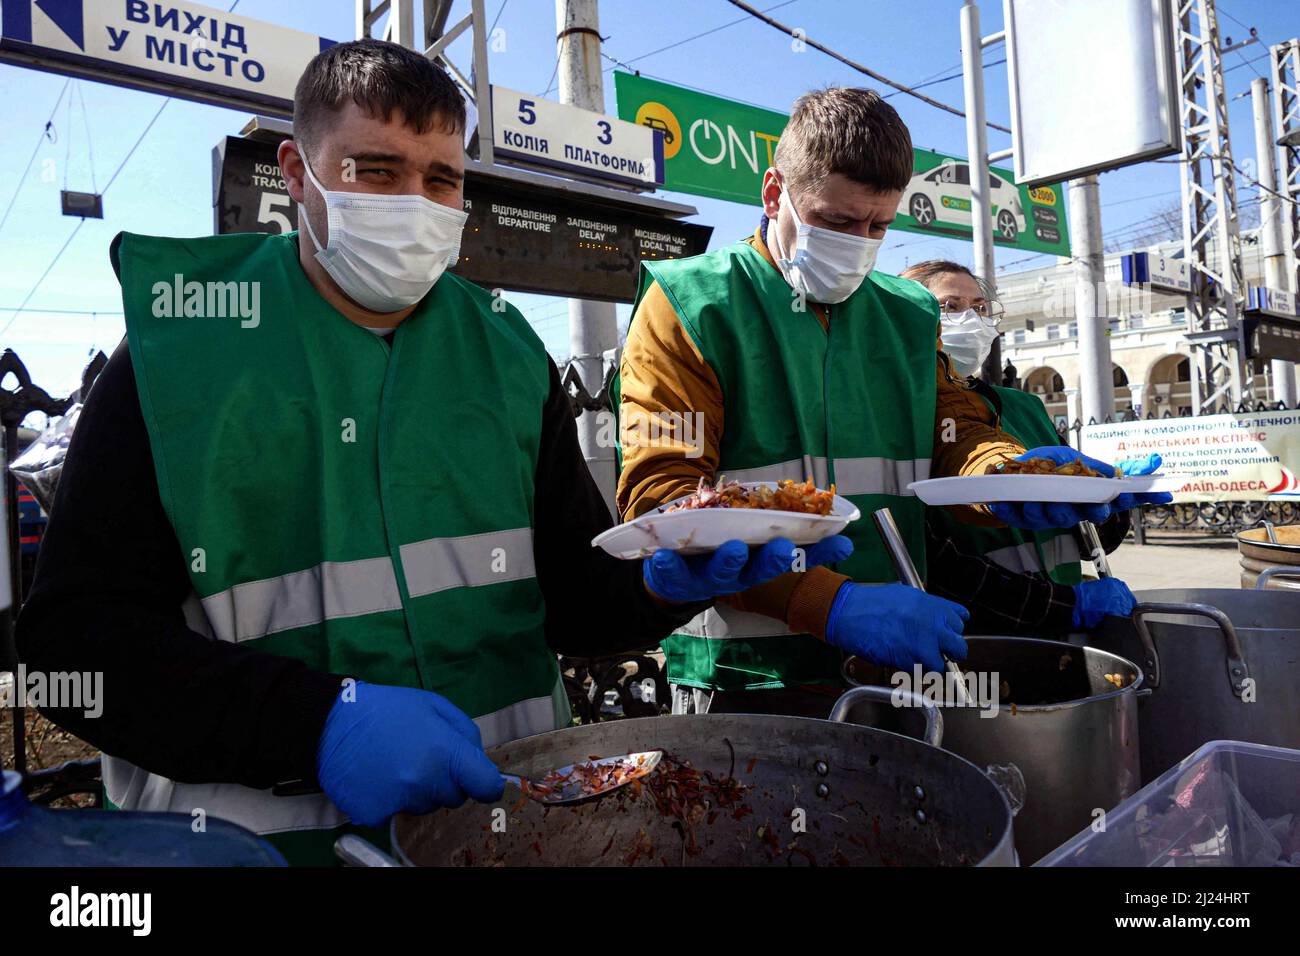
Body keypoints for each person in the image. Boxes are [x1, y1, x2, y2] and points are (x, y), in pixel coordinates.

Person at [14, 39, 850, 865]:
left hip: (505, 826)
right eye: (375, 171)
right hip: (258, 851)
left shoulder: (508, 355)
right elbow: (71, 646)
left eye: (441, 179)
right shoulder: (181, 352)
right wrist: (314, 723)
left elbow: (569, 598)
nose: (415, 202)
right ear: (297, 174)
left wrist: (662, 580)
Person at [616, 87, 1169, 718]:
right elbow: (662, 494)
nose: (859, 242)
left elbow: (954, 430)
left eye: (879, 225)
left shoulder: (907, 313)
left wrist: (1004, 474)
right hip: (747, 678)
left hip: (901, 660)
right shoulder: (689, 305)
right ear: (775, 195)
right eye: (836, 222)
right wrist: (828, 603)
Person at [901, 260, 1142, 636]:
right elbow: (935, 561)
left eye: (980, 308)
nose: (971, 320)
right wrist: (1063, 607)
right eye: (950, 306)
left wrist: (1110, 500)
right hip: (976, 635)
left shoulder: (1023, 406)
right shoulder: (904, 411)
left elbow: (1091, 541)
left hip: (1064, 633)